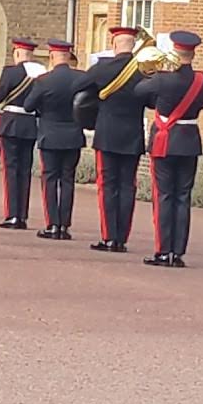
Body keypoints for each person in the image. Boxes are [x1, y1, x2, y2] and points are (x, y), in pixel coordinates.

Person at [136, 31, 203, 268]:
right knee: (182, 197)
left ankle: (162, 250)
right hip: (189, 141)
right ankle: (177, 252)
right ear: (192, 53)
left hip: (166, 142)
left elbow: (139, 91)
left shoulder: (162, 79)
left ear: (174, 52)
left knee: (164, 196)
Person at [74, 26, 148, 253]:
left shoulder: (102, 68)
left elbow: (78, 88)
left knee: (107, 186)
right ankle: (122, 238)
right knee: (128, 186)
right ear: (133, 45)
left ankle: (108, 237)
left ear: (115, 44)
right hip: (133, 134)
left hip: (107, 134)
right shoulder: (143, 70)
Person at [24, 39, 85, 240]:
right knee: (67, 180)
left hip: (50, 135)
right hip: (73, 135)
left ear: (52, 56)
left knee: (49, 179)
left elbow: (29, 106)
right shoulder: (80, 78)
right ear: (69, 57)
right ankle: (64, 225)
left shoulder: (44, 80)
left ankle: (52, 224)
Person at [0, 38, 40, 229]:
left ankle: (12, 215)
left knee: (11, 170)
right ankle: (22, 215)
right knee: (25, 171)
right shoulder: (40, 73)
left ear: (17, 53)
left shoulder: (11, 72)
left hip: (11, 124)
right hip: (30, 124)